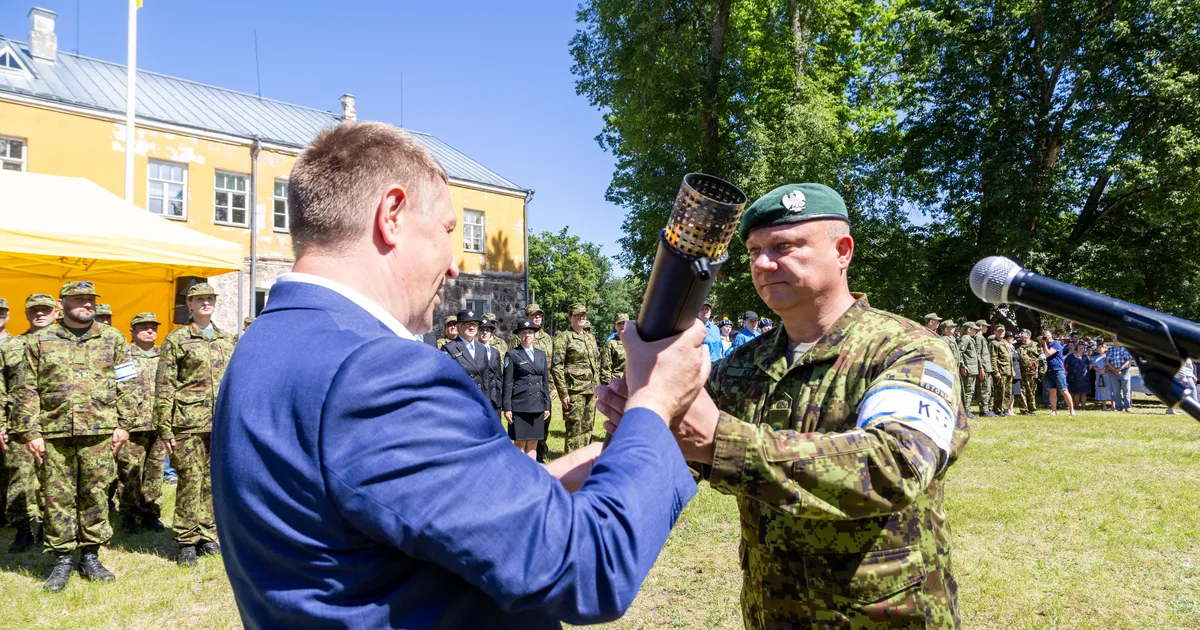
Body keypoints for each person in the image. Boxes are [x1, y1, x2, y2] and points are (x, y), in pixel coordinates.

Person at [210, 121, 707, 627]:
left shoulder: (266, 343)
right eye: (448, 231)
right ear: (393, 214)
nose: (453, 267)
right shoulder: (378, 372)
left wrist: (537, 484)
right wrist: (655, 400)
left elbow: (370, 511)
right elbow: (589, 567)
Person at [600, 182, 968, 628]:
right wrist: (640, 423)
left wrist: (719, 441)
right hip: (772, 613)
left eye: (784, 246)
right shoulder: (741, 367)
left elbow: (893, 467)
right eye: (754, 250)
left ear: (843, 251)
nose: (762, 263)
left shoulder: (908, 350)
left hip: (884, 615)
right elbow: (670, 461)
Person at [12, 281, 133, 591]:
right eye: (79, 299)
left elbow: (129, 384)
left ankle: (90, 555)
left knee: (95, 493)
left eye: (90, 299)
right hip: (53, 431)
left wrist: (124, 424)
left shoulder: (113, 338)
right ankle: (63, 557)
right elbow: (25, 389)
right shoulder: (40, 341)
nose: (86, 304)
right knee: (56, 496)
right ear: (61, 303)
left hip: (100, 430)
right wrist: (30, 431)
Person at [156, 282, 236, 566]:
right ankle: (186, 540)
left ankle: (206, 533)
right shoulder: (177, 339)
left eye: (210, 298)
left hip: (220, 424)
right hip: (187, 423)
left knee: (212, 482)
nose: (205, 302)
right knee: (190, 480)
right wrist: (164, 427)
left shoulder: (227, 339)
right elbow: (165, 385)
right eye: (199, 299)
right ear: (189, 305)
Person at [1, 293, 57, 552]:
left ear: (55, 312)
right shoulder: (11, 346)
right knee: (20, 479)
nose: (40, 314)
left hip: (55, 422)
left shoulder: (66, 343)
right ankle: (23, 529)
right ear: (26, 314)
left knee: (54, 479)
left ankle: (50, 528)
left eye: (45, 309)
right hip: (20, 424)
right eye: (34, 310)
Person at [117, 312, 166, 532]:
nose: (149, 330)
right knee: (130, 471)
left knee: (155, 471)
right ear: (132, 331)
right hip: (132, 425)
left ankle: (150, 514)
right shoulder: (124, 356)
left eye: (153, 327)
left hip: (158, 423)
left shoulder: (163, 355)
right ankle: (129, 514)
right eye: (143, 327)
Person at [552, 304, 600, 454]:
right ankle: (571, 465)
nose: (582, 318)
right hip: (574, 391)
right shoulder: (564, 338)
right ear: (570, 317)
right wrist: (563, 393)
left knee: (587, 428)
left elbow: (596, 364)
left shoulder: (590, 338)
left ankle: (584, 463)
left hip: (590, 390)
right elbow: (556, 366)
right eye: (578, 315)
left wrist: (597, 388)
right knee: (574, 429)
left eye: (584, 315)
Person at [503, 320, 552, 459]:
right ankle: (519, 474)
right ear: (518, 335)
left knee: (533, 442)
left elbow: (545, 381)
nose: (527, 335)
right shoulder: (512, 354)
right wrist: (507, 408)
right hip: (520, 405)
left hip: (537, 404)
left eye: (530, 332)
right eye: (523, 332)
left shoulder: (541, 354)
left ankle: (532, 473)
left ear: (534, 335)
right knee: (520, 443)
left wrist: (546, 405)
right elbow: (507, 383)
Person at [442, 310, 503, 413]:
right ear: (459, 327)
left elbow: (486, 378)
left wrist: (487, 403)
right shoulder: (449, 349)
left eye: (475, 324)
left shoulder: (481, 348)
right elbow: (446, 382)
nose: (472, 327)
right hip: (461, 404)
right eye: (467, 324)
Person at [525, 303, 558, 463]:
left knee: (545, 421)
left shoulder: (547, 338)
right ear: (527, 317)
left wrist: (553, 387)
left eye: (539, 315)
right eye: (534, 315)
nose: (538, 317)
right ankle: (528, 453)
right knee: (529, 422)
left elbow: (551, 365)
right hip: (528, 388)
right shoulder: (521, 335)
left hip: (545, 387)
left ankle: (540, 454)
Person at [1040, 328, 1075, 416]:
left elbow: (1048, 353)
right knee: (1052, 392)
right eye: (1045, 336)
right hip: (1049, 371)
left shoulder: (1056, 343)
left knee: (1064, 390)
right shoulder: (1045, 345)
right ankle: (1053, 411)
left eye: (1048, 335)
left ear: (1051, 335)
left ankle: (1072, 411)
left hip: (1058, 370)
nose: (1046, 337)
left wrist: (1043, 343)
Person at [958, 321, 981, 418]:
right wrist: (963, 365)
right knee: (967, 391)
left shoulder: (970, 339)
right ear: (969, 329)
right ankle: (966, 411)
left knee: (970, 391)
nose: (976, 331)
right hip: (968, 369)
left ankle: (967, 410)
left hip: (972, 369)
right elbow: (960, 352)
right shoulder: (966, 338)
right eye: (974, 329)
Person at [991, 324, 1014, 416]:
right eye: (999, 331)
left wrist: (1012, 370)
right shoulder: (994, 343)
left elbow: (1009, 358)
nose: (1001, 333)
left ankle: (1005, 409)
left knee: (1008, 392)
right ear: (995, 332)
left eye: (1002, 331)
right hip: (1001, 371)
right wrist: (995, 371)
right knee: (1000, 391)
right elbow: (993, 358)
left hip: (1008, 371)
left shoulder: (1006, 342)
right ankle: (998, 409)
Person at [1105, 341, 1135, 413]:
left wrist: (1120, 368)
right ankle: (1119, 406)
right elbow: (1107, 361)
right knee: (1116, 391)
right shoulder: (1110, 349)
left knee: (1126, 390)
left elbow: (1129, 360)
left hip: (1125, 371)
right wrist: (1114, 369)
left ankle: (1128, 407)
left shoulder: (1125, 348)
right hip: (1113, 372)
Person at [599, 313, 627, 385]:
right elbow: (605, 368)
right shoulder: (610, 344)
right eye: (619, 323)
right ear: (615, 326)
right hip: (617, 383)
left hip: (633, 383)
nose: (622, 326)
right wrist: (608, 386)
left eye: (624, 323)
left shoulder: (635, 342)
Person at [1065, 342, 1091, 410]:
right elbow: (1065, 366)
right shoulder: (1070, 356)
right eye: (1079, 347)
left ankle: (1083, 407)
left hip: (1084, 378)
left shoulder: (1085, 357)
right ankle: (1076, 407)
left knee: (1083, 393)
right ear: (1076, 348)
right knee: (1076, 393)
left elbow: (1089, 366)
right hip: (1074, 378)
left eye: (1082, 348)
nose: (1081, 349)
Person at [1092, 341, 1113, 410]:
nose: (1100, 349)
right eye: (1099, 347)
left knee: (1110, 389)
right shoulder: (1095, 357)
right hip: (1099, 375)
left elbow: (1111, 365)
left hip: (1108, 375)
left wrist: (1105, 370)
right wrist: (1099, 370)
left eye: (1102, 347)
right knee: (1102, 389)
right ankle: (1104, 406)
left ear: (1106, 349)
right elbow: (1093, 366)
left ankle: (1113, 405)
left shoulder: (1108, 356)